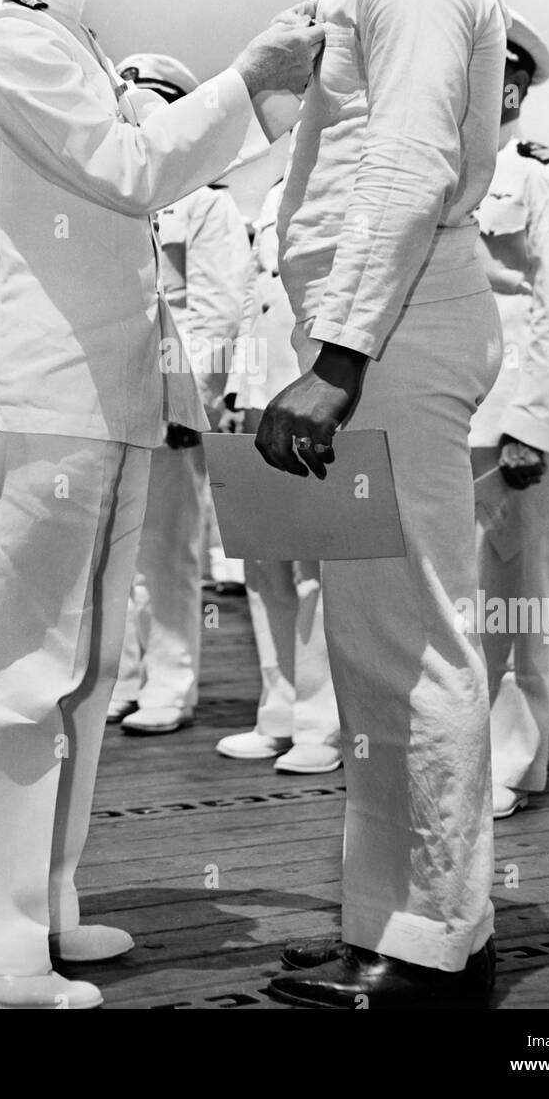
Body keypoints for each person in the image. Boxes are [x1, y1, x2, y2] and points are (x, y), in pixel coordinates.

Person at [0, 0, 323, 1010]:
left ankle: (39, 909)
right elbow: (135, 170)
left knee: (79, 669)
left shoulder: (63, 41)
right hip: (39, 397)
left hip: (92, 399)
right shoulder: (6, 37)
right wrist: (253, 76)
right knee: (11, 676)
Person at [254, 0, 509, 1008]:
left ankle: (434, 935)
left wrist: (338, 359)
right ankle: (387, 918)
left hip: (395, 339)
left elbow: (406, 165)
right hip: (373, 332)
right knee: (368, 645)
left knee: (417, 636)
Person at [108, 52, 251, 734]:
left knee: (166, 552)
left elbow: (219, 309)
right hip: (115, 397)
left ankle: (169, 683)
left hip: (170, 399)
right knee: (117, 552)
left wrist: (190, 399)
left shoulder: (205, 206)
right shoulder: (115, 197)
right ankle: (125, 674)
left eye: (142, 99)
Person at [469, 13, 549, 819]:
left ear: (511, 86)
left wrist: (533, 427)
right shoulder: (445, 172)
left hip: (512, 428)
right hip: (450, 421)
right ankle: (471, 753)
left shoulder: (541, 179)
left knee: (517, 602)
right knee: (463, 605)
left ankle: (516, 764)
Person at [216, 174, 342, 772]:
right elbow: (253, 299)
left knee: (315, 566)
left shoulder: (347, 173)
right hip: (262, 391)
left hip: (309, 387)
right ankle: (280, 710)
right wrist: (238, 390)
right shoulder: (272, 193)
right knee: (263, 565)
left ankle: (321, 726)